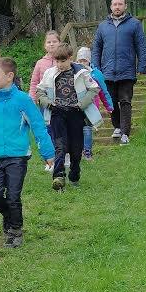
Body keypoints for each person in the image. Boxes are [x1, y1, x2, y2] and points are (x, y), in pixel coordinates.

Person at [0, 57, 54, 247]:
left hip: (17, 157)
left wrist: (48, 153)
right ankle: (9, 215)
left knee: (12, 196)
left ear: (9, 76)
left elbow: (38, 127)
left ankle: (15, 230)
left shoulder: (23, 100)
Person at [37, 43, 100, 191]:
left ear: (70, 58)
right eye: (57, 61)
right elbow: (40, 91)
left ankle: (74, 175)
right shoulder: (49, 73)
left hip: (76, 113)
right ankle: (58, 176)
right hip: (57, 113)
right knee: (60, 146)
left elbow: (94, 89)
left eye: (63, 61)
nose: (59, 64)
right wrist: (48, 104)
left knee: (76, 149)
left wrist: (81, 104)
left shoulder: (82, 73)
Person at [91, 0, 146, 144]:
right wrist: (95, 68)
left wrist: (142, 66)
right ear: (111, 7)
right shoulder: (103, 26)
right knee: (111, 101)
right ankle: (117, 126)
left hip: (127, 71)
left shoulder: (134, 24)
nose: (117, 7)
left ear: (125, 6)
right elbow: (96, 48)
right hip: (107, 72)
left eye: (120, 4)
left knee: (125, 101)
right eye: (115, 4)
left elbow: (141, 46)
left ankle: (125, 133)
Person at [29, 31, 60, 172]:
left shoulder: (64, 60)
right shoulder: (40, 63)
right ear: (45, 45)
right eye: (49, 42)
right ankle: (50, 159)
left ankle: (62, 156)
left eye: (54, 41)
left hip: (61, 100)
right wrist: (32, 98)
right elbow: (34, 82)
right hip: (44, 102)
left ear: (59, 43)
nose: (52, 44)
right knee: (46, 130)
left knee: (59, 128)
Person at [75, 47, 114, 160]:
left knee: (87, 129)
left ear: (89, 61)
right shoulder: (74, 72)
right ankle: (78, 150)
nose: (82, 63)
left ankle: (87, 151)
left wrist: (109, 106)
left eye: (84, 60)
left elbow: (103, 91)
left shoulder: (95, 74)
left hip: (91, 106)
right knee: (77, 129)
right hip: (77, 105)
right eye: (80, 61)